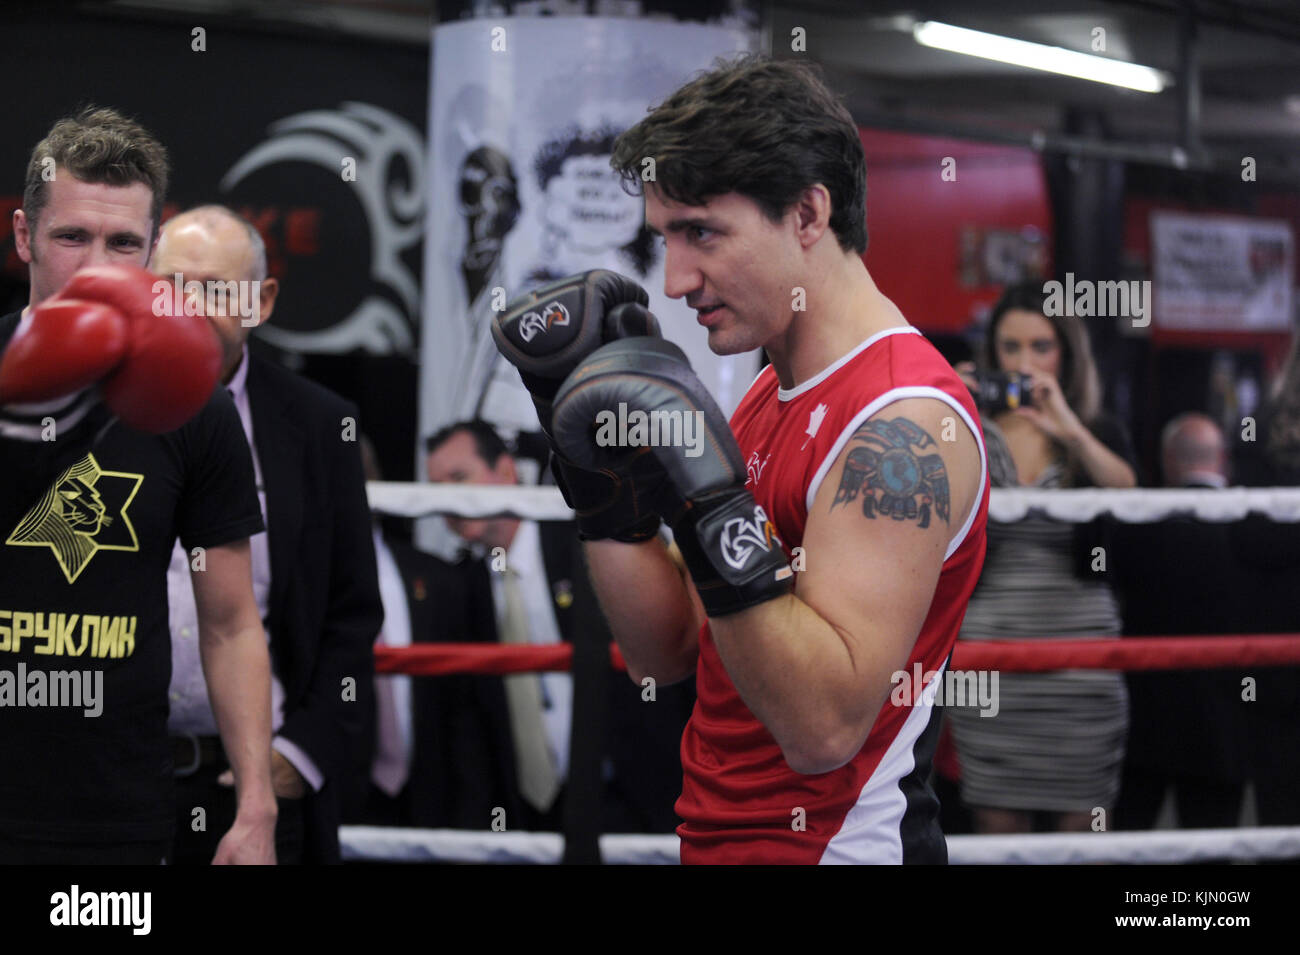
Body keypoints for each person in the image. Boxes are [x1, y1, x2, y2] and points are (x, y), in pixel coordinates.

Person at [493, 55, 990, 864]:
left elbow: (821, 727)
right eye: (665, 238)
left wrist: (712, 501)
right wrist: (601, 489)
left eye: (701, 233)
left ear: (806, 214)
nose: (676, 277)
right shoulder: (766, 395)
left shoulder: (901, 424)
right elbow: (668, 652)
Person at [0, 107, 276, 863]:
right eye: (71, 238)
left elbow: (230, 621)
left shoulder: (192, 402)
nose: (97, 267)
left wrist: (256, 805)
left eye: (124, 243)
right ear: (25, 237)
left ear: (153, 250)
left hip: (116, 815)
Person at [153, 205, 383, 864]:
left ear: (262, 299)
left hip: (257, 785)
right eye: (173, 284)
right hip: (116, 775)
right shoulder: (96, 408)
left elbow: (350, 611)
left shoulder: (318, 425)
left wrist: (298, 755)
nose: (191, 306)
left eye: (217, 289)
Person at [425, 419, 694, 835]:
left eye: (459, 477)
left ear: (506, 471)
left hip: (635, 796)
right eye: (435, 487)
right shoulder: (466, 587)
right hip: (533, 815)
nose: (448, 499)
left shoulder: (583, 543)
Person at [947, 280, 1137, 835]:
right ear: (992, 354)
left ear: (1067, 353)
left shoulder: (1095, 432)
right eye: (1010, 348)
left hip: (1081, 661)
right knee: (998, 837)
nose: (1026, 362)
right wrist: (945, 404)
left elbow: (1130, 497)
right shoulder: (968, 427)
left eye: (1041, 346)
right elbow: (925, 512)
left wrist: (1070, 430)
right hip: (988, 654)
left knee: (1083, 843)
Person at [1111, 413, 1249, 833]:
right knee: (1211, 859)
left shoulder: (1139, 527)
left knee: (1126, 845)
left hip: (1145, 722)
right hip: (1226, 726)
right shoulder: (1257, 527)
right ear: (1222, 459)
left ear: (1168, 461)